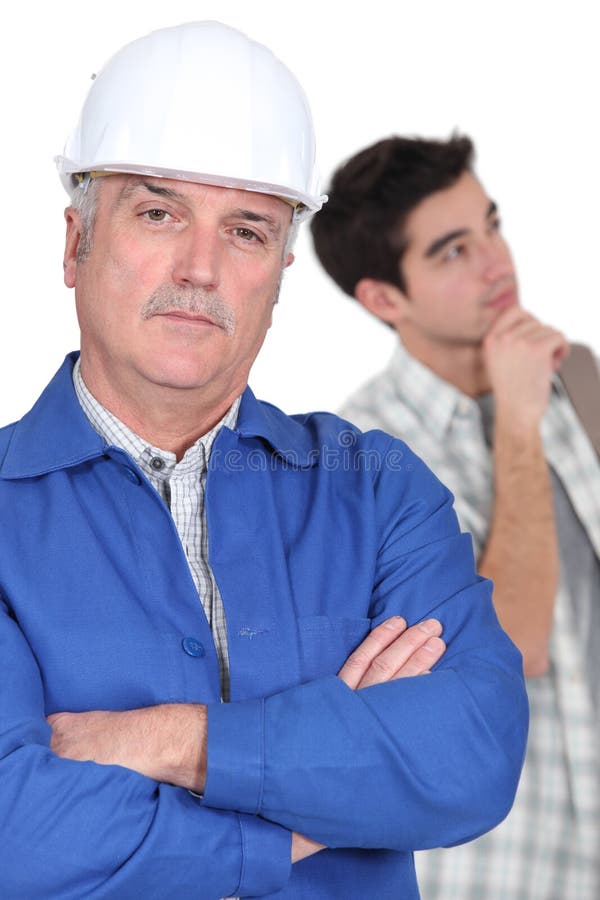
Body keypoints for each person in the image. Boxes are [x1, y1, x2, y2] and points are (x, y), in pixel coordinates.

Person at [0, 27, 527, 899]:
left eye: (246, 230)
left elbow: (471, 752)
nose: (201, 268)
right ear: (74, 244)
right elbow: (16, 831)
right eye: (159, 212)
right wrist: (320, 796)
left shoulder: (380, 491)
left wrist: (178, 741)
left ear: (280, 273)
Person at [310, 133, 600, 899]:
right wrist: (518, 423)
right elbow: (514, 643)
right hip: (496, 871)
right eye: (452, 251)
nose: (497, 263)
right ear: (383, 298)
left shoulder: (577, 378)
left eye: (492, 226)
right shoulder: (357, 460)